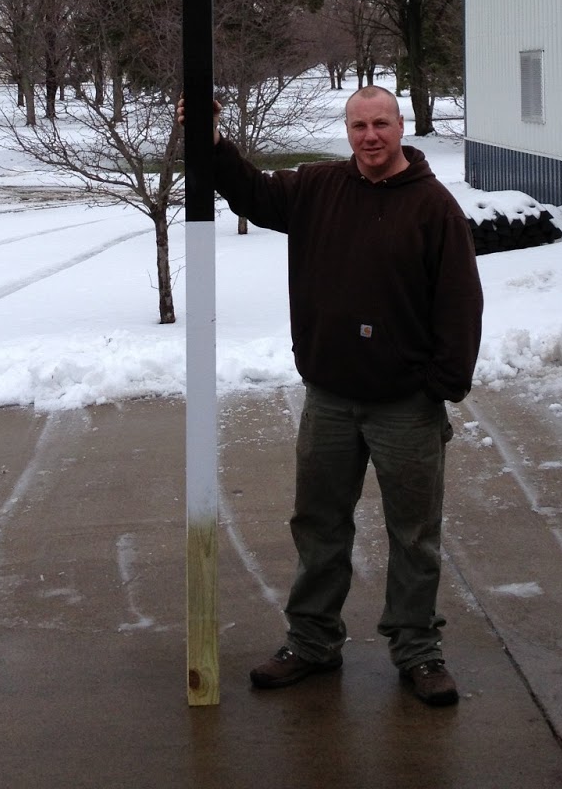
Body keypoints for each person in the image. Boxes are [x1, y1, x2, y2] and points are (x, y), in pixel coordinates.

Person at [183, 84, 483, 707]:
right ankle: (312, 641)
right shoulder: (318, 189)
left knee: (413, 533)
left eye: (380, 124)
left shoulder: (434, 207)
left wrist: (439, 386)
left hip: (406, 408)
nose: (369, 137)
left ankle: (417, 649)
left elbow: (459, 306)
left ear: (401, 128)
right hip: (330, 400)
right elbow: (253, 192)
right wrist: (210, 143)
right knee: (319, 525)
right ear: (346, 131)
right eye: (357, 126)